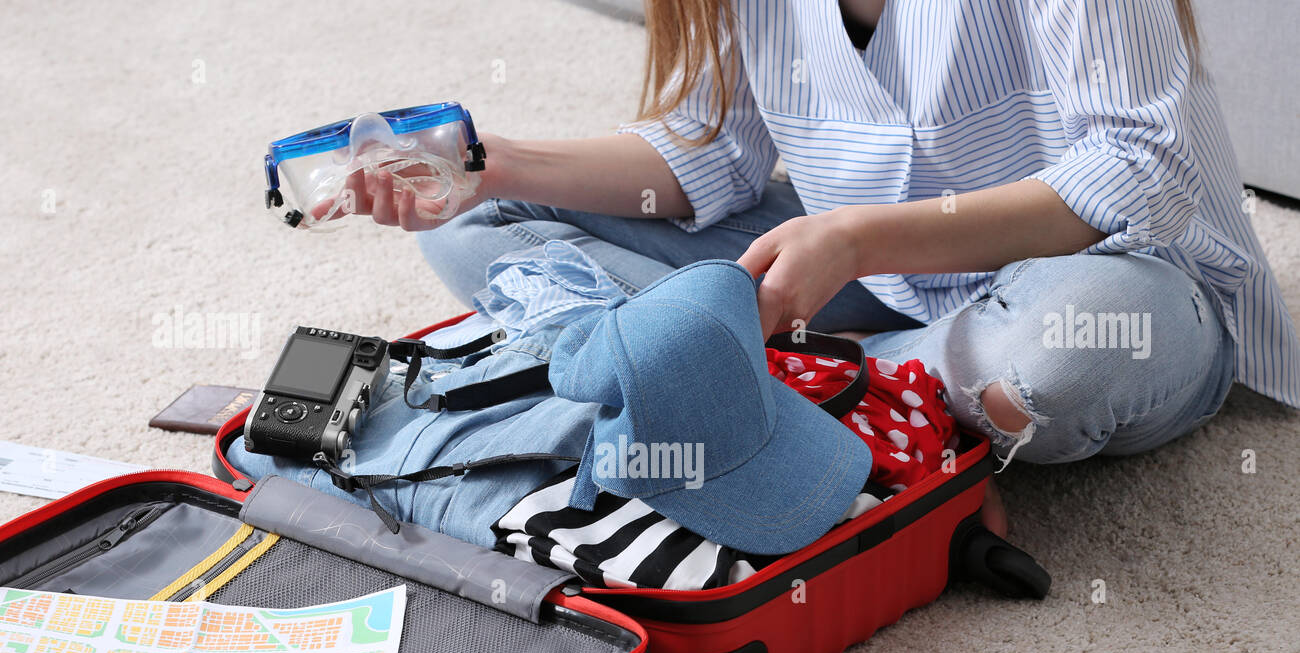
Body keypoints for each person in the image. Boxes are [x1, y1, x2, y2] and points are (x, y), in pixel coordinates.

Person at [342, 0, 1298, 536]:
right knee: (471, 222)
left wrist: (858, 240)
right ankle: (863, 403)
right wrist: (493, 164)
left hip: (1120, 274)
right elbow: (707, 156)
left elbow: (1145, 170)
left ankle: (738, 385)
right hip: (872, 281)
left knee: (1056, 366)